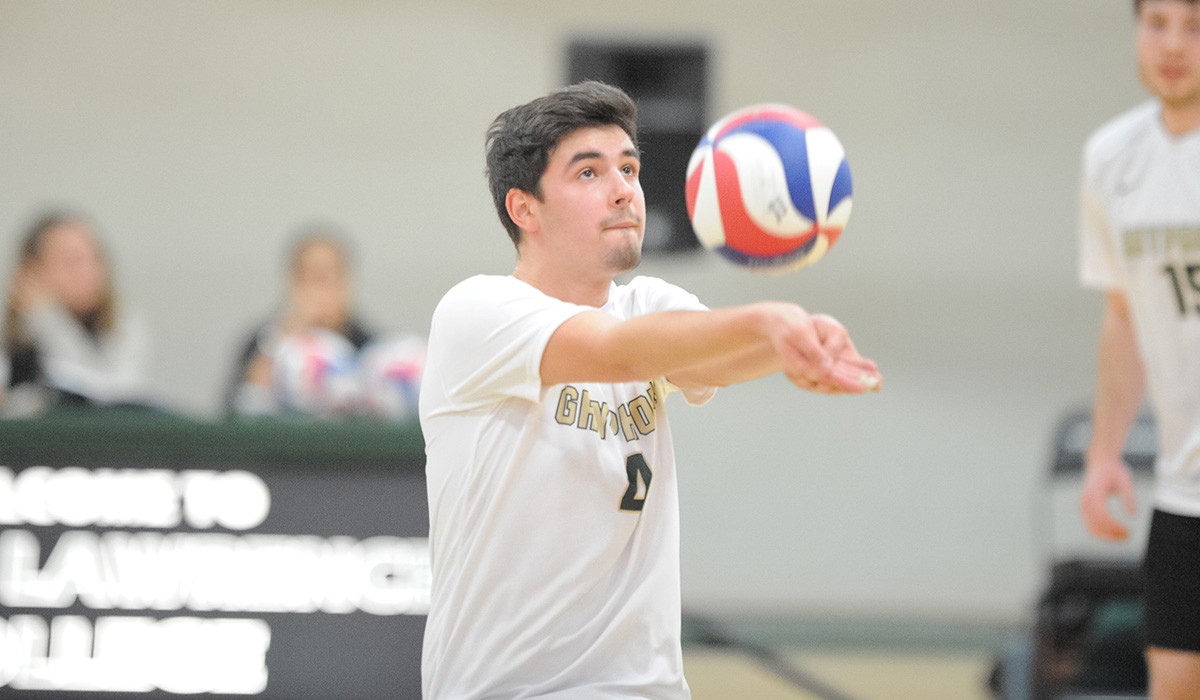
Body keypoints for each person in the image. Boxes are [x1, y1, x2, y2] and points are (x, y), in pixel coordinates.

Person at [419, 81, 882, 699]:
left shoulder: (649, 304)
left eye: (629, 168)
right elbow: (618, 352)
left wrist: (793, 345)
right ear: (524, 209)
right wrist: (769, 323)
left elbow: (705, 359)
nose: (623, 190)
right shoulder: (478, 311)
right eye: (588, 173)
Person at [1078, 1, 1200, 698]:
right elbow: (1123, 312)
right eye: (1158, 23)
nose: (1174, 44)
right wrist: (1104, 454)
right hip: (1183, 495)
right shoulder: (1110, 157)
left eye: (1196, 25)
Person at [2, 211, 151, 415]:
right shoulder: (13, 335)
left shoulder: (124, 322)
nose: (87, 271)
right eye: (71, 260)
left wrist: (47, 319)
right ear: (32, 271)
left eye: (94, 258)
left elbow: (111, 396)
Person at [224, 225, 376, 417]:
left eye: (329, 277)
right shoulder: (262, 343)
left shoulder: (372, 348)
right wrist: (280, 343)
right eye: (311, 277)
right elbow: (232, 414)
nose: (321, 291)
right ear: (291, 283)